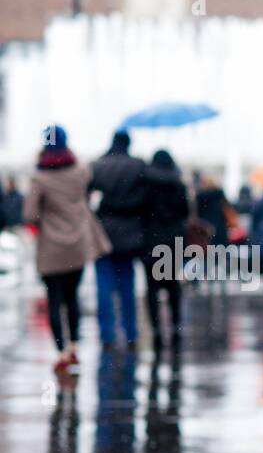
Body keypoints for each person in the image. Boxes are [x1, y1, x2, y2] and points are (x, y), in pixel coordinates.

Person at [22, 125, 111, 373]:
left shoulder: (39, 177)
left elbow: (30, 214)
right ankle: (73, 346)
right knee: (72, 297)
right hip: (78, 246)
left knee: (54, 299)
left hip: (52, 247)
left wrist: (45, 216)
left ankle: (61, 351)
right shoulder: (80, 170)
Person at [89, 130, 147, 350]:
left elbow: (86, 198)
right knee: (127, 287)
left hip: (103, 234)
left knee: (103, 287)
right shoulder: (138, 166)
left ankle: (107, 336)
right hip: (131, 234)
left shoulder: (98, 165)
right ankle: (131, 334)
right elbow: (145, 197)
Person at [140, 149, 189, 348]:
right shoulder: (178, 185)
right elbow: (185, 212)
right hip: (174, 241)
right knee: (172, 285)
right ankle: (176, 324)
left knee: (152, 287)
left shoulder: (146, 185)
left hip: (151, 241)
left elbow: (141, 212)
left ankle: (156, 328)